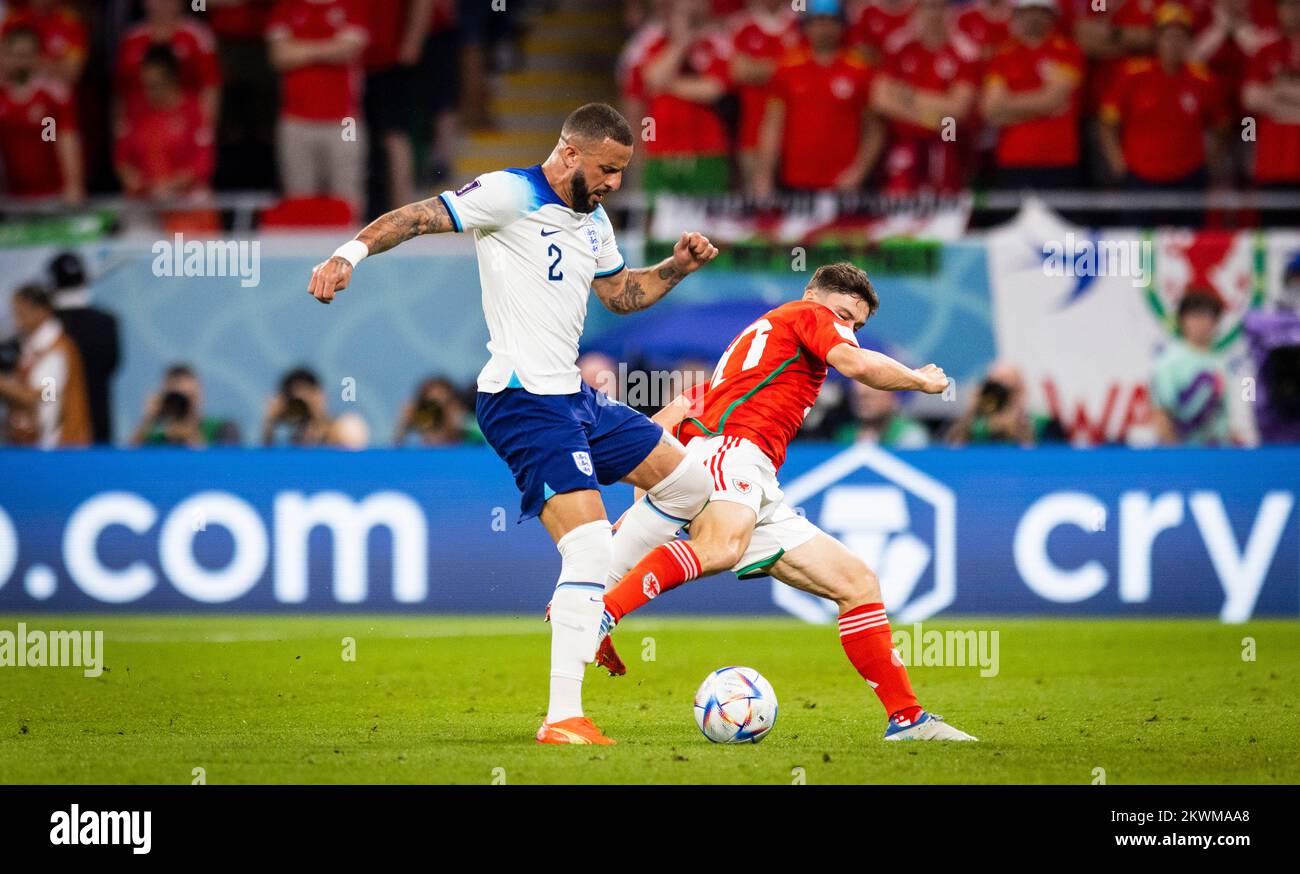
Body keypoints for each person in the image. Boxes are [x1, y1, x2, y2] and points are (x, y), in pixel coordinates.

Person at [307, 103, 720, 745]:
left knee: (690, 487)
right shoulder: (508, 192)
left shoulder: (594, 222)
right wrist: (348, 254)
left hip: (575, 396)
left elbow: (621, 295)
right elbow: (416, 217)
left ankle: (592, 602)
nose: (615, 183)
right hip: (523, 399)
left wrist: (677, 268)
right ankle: (563, 717)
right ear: (570, 153)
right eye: (608, 170)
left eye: (621, 172)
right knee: (586, 543)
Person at [593, 263, 976, 742]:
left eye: (855, 325)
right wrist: (920, 382)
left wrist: (650, 504)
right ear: (814, 296)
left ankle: (906, 719)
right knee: (722, 548)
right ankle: (603, 612)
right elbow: (859, 367)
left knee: (856, 583)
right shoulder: (806, 315)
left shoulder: (760, 347)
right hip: (733, 452)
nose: (846, 329)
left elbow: (674, 414)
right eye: (842, 315)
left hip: (747, 474)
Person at [755, 0, 882, 196]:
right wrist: (763, 176)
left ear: (842, 26)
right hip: (795, 181)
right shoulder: (787, 68)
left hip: (845, 184)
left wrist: (858, 172)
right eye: (817, 21)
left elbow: (875, 130)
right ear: (806, 26)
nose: (824, 27)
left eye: (831, 21)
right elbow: (773, 124)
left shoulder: (860, 70)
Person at [1098, 3, 1227, 189]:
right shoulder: (1132, 74)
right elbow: (1107, 123)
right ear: (1157, 39)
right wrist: (1118, 163)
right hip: (1138, 174)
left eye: (1180, 37)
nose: (1173, 43)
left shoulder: (1204, 80)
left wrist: (1211, 163)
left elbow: (1223, 126)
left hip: (1189, 176)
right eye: (1168, 36)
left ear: (1188, 40)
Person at [266, 0, 369, 216]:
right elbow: (280, 56)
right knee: (299, 200)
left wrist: (300, 48)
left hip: (344, 121)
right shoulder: (286, 7)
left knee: (347, 197)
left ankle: (352, 249)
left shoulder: (353, 5)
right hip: (295, 120)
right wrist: (328, 47)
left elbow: (348, 50)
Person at [871, 0, 980, 195]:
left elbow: (957, 110)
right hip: (904, 143)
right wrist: (933, 117)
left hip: (948, 143)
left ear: (950, 10)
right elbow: (880, 100)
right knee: (899, 209)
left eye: (939, 6)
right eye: (928, 6)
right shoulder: (899, 45)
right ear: (917, 10)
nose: (934, 14)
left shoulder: (965, 50)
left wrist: (909, 95)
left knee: (942, 208)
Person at [981, 0, 1086, 188]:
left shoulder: (1068, 50)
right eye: (1027, 11)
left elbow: (1054, 100)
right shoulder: (1004, 54)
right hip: (1013, 157)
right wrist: (1041, 104)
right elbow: (991, 109)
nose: (1033, 16)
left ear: (1051, 16)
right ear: (1017, 16)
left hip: (1059, 157)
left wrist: (1008, 107)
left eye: (1040, 11)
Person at [114, 45, 215, 200]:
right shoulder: (135, 108)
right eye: (144, 85)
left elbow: (202, 163)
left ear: (172, 80)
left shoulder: (194, 110)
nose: (148, 92)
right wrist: (130, 177)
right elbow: (121, 157)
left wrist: (169, 185)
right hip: (144, 201)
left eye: (154, 86)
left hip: (186, 200)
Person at [0, 284, 91, 447]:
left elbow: (45, 398)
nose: (16, 319)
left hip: (56, 448)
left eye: (21, 312)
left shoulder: (56, 353)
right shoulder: (30, 349)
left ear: (41, 311)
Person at [0, 25, 83, 202]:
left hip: (51, 195)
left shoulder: (51, 97)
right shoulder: (2, 98)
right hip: (13, 198)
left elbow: (62, 140)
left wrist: (73, 185)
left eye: (25, 55)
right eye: (14, 55)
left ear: (37, 57)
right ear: (4, 57)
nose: (20, 62)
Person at [47, 252, 119, 445]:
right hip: (95, 419)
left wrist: (47, 407)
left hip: (58, 422)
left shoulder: (49, 325)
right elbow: (112, 365)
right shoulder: (106, 322)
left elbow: (47, 381)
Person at [1151, 290, 1236, 445]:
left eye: (1208, 316)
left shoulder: (1222, 363)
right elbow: (1161, 415)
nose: (1202, 322)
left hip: (1219, 454)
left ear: (1216, 321)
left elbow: (1224, 414)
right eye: (1195, 316)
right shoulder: (1167, 363)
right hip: (1183, 456)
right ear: (1182, 319)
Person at [1241, 0, 1300, 190]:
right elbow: (1250, 99)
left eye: (1297, 5)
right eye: (1287, 6)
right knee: (1272, 217)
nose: (1293, 11)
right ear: (1278, 10)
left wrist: (1278, 92)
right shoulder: (1265, 50)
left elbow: (1263, 96)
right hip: (1273, 156)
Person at [131, 363, 242, 448]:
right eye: (176, 399)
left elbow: (226, 467)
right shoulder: (155, 433)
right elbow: (128, 465)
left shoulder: (223, 428)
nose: (182, 405)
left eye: (189, 396)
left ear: (200, 396)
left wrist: (192, 436)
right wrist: (148, 419)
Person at [836, 380, 931, 446]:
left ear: (891, 398)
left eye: (870, 397)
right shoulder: (845, 434)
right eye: (857, 397)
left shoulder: (909, 434)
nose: (862, 403)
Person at [394, 375, 479, 446]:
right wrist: (402, 429)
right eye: (430, 407)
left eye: (445, 405)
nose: (439, 415)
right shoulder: (416, 454)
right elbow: (391, 457)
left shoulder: (477, 443)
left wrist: (464, 421)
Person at [261, 366, 332, 446]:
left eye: (307, 394)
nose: (301, 406)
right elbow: (266, 454)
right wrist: (270, 422)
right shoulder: (293, 439)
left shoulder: (343, 428)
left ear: (319, 396)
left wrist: (319, 417)